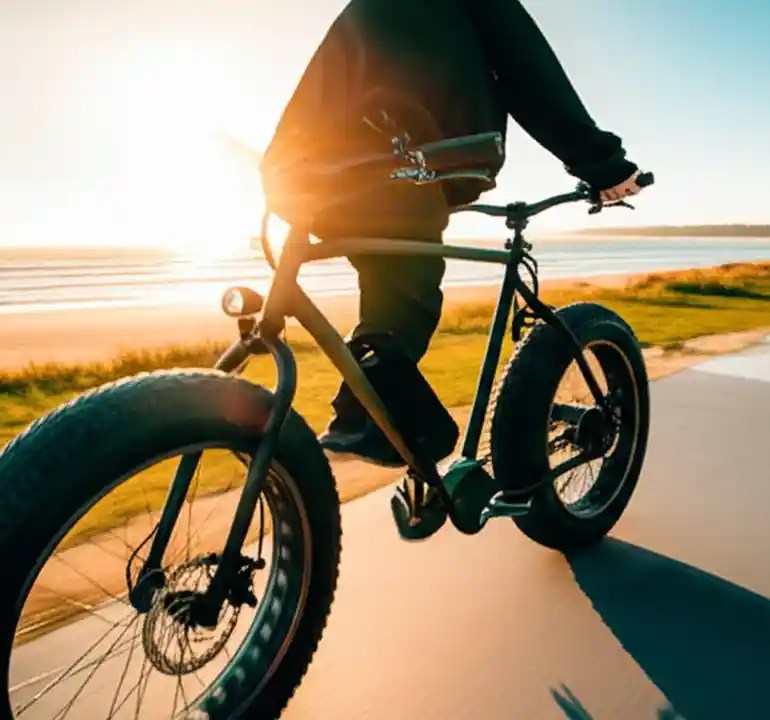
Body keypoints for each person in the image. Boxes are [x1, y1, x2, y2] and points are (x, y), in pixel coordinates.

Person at [259, 0, 645, 467]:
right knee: (406, 302)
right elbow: (528, 73)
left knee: (391, 300)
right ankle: (379, 427)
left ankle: (368, 423)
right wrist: (602, 165)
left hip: (307, 171)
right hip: (402, 159)